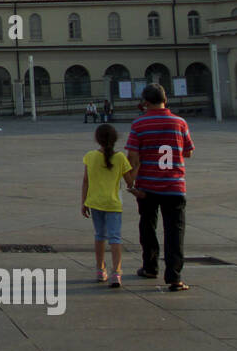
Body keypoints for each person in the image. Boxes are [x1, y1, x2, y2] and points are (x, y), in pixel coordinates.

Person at [125, 84, 194, 291]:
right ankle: (174, 276)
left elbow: (132, 157)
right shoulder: (180, 123)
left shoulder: (139, 124)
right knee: (175, 231)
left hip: (148, 185)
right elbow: (188, 152)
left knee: (147, 226)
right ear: (165, 99)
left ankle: (150, 266)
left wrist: (131, 182)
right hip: (174, 186)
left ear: (145, 102)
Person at [81, 123, 141, 287]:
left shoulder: (90, 156)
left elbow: (86, 181)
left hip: (95, 201)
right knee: (115, 237)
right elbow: (130, 182)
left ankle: (100, 269)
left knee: (100, 235)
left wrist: (83, 202)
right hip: (113, 203)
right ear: (115, 139)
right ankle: (117, 272)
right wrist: (137, 166)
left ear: (96, 139)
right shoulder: (120, 158)